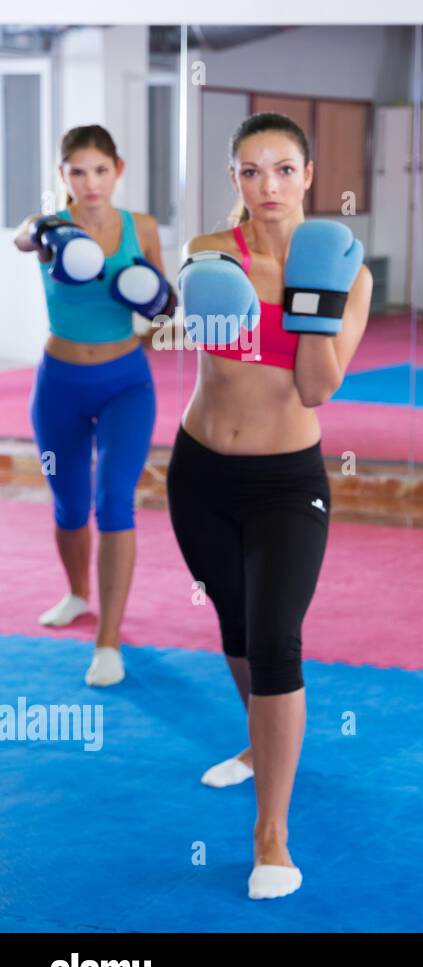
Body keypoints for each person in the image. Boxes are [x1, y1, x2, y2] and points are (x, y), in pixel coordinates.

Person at [167, 112, 372, 899]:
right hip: (201, 475)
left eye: (283, 169)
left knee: (278, 635)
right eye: (250, 171)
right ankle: (261, 739)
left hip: (290, 480)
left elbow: (318, 386)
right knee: (237, 625)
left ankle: (271, 831)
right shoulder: (210, 256)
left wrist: (309, 295)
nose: (268, 186)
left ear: (309, 174)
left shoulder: (346, 269)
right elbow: (210, 347)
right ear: (234, 181)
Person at [12, 124, 169, 687]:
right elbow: (23, 239)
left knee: (114, 502)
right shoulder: (50, 226)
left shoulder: (141, 227)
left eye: (100, 169)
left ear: (118, 170)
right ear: (64, 175)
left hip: (126, 382)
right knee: (69, 505)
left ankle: (108, 642)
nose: (90, 181)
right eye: (77, 171)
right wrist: (46, 231)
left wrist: (153, 294)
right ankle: (78, 594)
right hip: (58, 385)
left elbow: (165, 310)